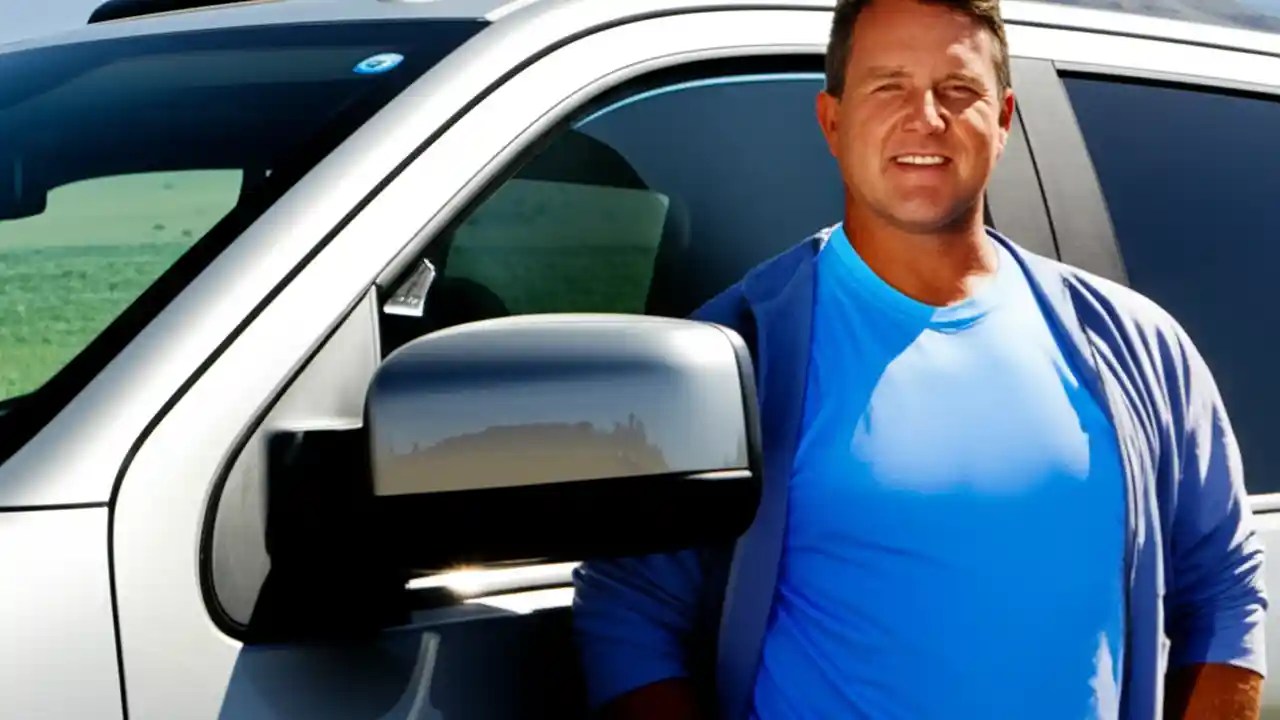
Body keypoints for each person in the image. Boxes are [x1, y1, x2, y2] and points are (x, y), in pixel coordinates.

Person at [571, 0, 1268, 718]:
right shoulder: (741, 352)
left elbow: (1223, 587)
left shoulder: (1137, 349)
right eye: (889, 86)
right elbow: (631, 613)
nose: (926, 116)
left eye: (958, 90)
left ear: (1002, 121)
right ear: (832, 122)